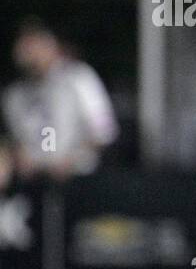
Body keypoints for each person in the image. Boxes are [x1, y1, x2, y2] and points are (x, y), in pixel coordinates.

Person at [2, 19, 118, 184]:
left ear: (51, 46)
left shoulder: (79, 78)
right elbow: (18, 140)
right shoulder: (15, 94)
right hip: (33, 181)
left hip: (80, 180)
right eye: (24, 47)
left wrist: (74, 159)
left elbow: (104, 129)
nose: (28, 54)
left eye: (33, 46)